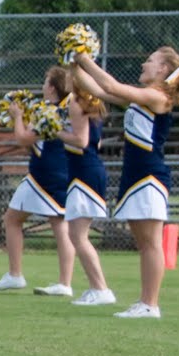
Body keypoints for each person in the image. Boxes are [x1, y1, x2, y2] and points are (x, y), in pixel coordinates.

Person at [70, 44, 179, 318]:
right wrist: (73, 65)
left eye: (150, 61)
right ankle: (144, 302)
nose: (143, 64)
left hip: (149, 176)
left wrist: (84, 57)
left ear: (163, 69)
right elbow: (100, 91)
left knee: (151, 243)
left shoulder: (157, 97)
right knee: (143, 243)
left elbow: (113, 86)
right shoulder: (145, 97)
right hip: (136, 174)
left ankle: (150, 304)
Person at [0, 68, 75, 297]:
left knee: (47, 223)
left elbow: (22, 139)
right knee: (23, 219)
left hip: (45, 174)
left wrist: (18, 117)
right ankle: (33, 277)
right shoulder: (61, 111)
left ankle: (24, 276)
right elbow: (33, 145)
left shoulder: (49, 112)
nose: (43, 86)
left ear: (53, 88)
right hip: (51, 172)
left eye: (46, 82)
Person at [62, 85, 115, 306]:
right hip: (87, 170)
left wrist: (51, 130)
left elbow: (82, 141)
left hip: (84, 172)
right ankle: (97, 287)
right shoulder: (92, 103)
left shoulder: (76, 102)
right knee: (76, 235)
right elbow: (96, 141)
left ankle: (100, 288)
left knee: (78, 236)